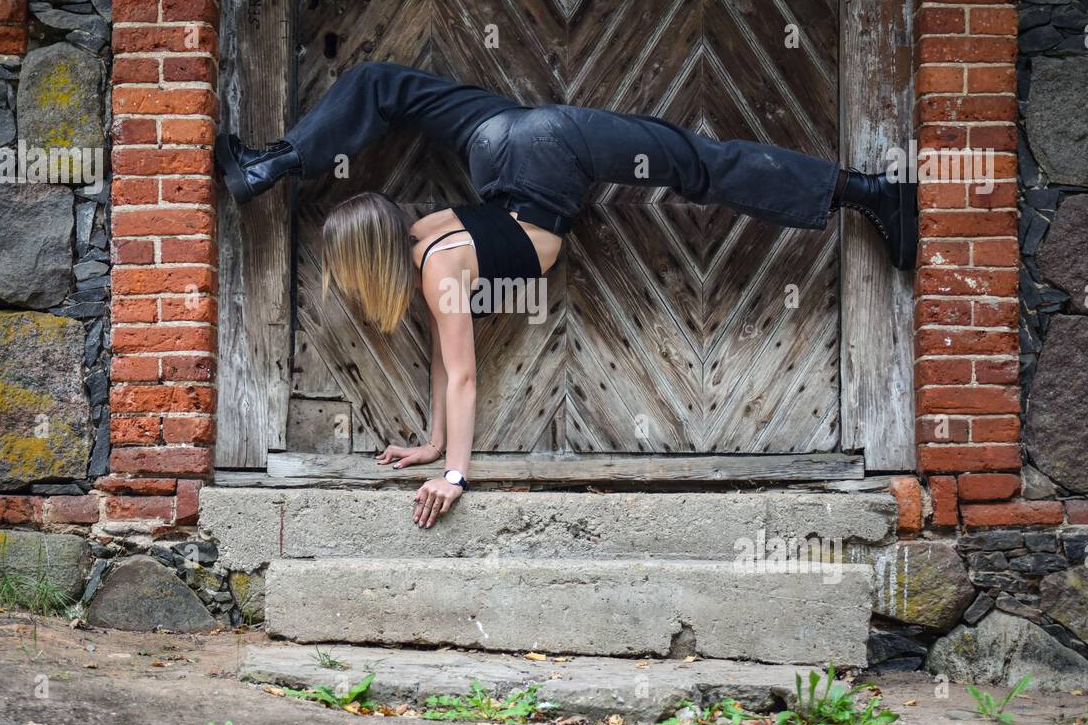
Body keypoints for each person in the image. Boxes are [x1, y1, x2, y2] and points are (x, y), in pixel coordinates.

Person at [215, 62, 916, 529]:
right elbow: (444, 351)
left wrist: (456, 473)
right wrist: (430, 441)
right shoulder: (424, 237)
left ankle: (876, 194)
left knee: (699, 165)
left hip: (540, 158)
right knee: (384, 84)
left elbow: (461, 372)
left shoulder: (438, 272)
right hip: (503, 137)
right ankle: (274, 160)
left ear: (368, 260)